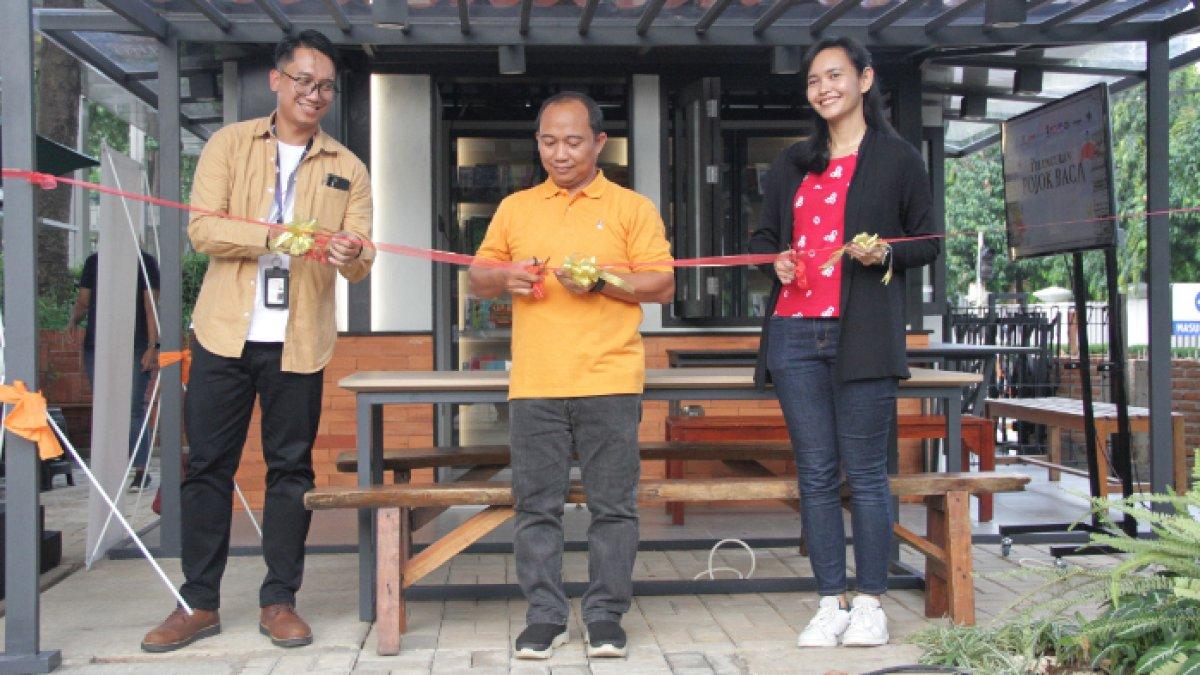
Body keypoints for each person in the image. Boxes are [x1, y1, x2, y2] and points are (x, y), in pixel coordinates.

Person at [141, 29, 373, 653]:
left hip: (299, 340)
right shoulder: (229, 144)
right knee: (207, 467)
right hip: (223, 333)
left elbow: (361, 258)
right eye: (303, 81)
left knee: (291, 470)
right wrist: (275, 237)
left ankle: (279, 601)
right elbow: (204, 230)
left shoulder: (347, 167)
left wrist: (352, 251)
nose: (315, 94)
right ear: (276, 80)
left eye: (325, 85)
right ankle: (198, 602)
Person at [748, 36, 939, 649]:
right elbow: (763, 239)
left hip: (862, 336)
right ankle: (829, 599)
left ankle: (871, 601)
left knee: (867, 472)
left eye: (835, 75)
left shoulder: (898, 158)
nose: (823, 87)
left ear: (864, 80)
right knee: (817, 473)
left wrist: (884, 251)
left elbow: (927, 241)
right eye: (813, 80)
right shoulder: (793, 163)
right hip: (794, 333)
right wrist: (773, 262)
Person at [468, 91, 674, 660]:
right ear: (538, 143)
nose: (560, 153)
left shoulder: (632, 208)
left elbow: (662, 285)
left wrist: (604, 281)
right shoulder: (516, 207)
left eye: (573, 141)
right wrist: (503, 275)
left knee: (614, 506)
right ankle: (546, 615)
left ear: (599, 143)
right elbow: (476, 278)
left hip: (610, 378)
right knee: (536, 506)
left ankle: (605, 615)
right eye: (549, 141)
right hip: (535, 381)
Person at [68, 250, 161, 491]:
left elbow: (150, 304)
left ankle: (141, 470)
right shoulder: (95, 261)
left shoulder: (144, 261)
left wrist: (153, 345)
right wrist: (73, 321)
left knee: (131, 408)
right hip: (102, 344)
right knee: (111, 408)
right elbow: (84, 301)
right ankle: (116, 470)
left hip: (134, 343)